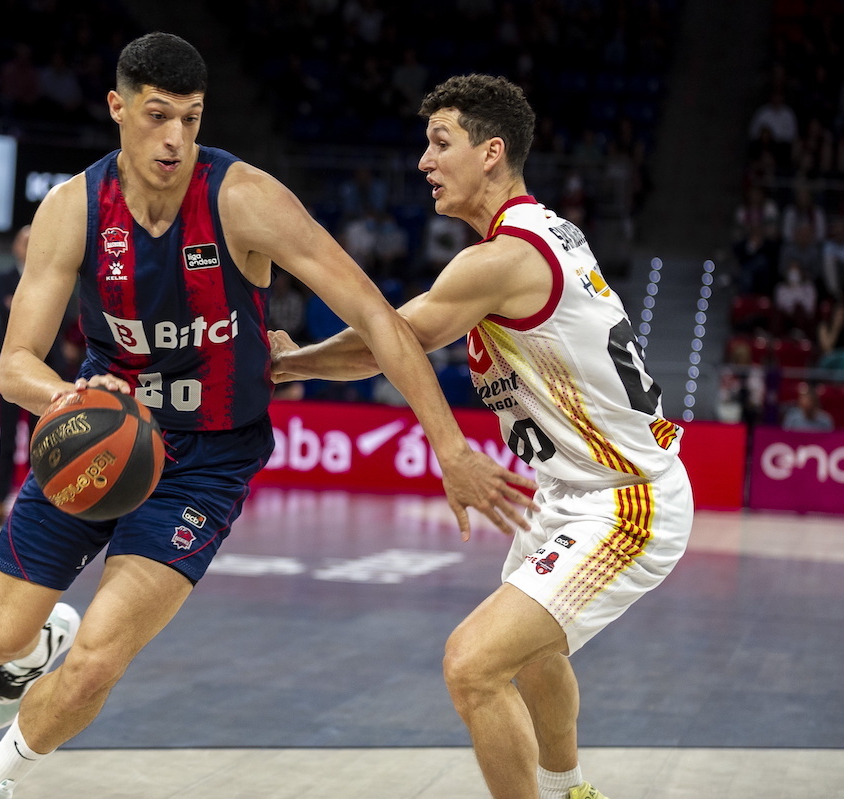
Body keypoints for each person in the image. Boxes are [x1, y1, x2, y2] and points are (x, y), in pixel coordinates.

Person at [0, 34, 533, 799]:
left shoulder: (244, 198)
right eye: (157, 116)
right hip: (101, 439)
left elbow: (377, 315)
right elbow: (15, 363)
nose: (174, 139)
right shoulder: (72, 209)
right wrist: (72, 399)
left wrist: (448, 444)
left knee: (97, 657)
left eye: (190, 119)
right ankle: (31, 647)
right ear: (117, 109)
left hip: (207, 460)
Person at [270, 74, 693, 799]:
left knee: (472, 664)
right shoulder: (547, 230)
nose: (424, 161)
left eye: (441, 143)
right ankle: (571, 790)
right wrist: (294, 365)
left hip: (627, 501)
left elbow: (387, 343)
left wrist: (289, 365)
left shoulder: (501, 260)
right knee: (531, 655)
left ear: (491, 152)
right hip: (568, 491)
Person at [0, 224, 33, 525]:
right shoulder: (4, 277)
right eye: (23, 241)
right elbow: (6, 312)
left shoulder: (52, 275)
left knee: (41, 437)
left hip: (45, 362)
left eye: (33, 240)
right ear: (15, 246)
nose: (28, 246)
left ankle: (35, 501)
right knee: (6, 436)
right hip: (9, 361)